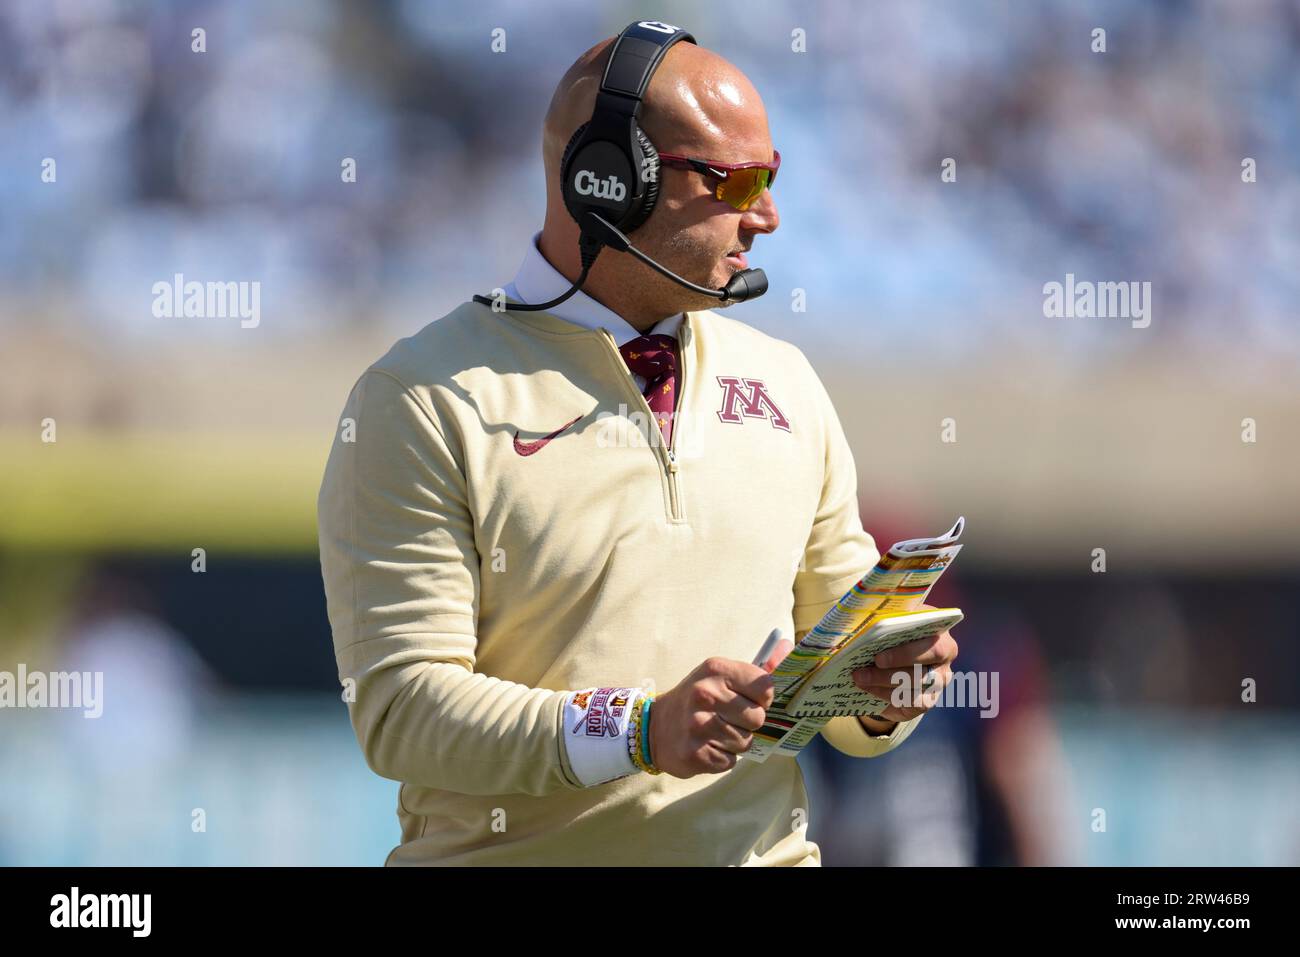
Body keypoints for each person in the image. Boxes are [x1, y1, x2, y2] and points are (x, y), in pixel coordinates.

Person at [317, 21, 959, 866]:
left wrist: (885, 690)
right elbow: (402, 711)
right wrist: (638, 728)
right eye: (739, 182)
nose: (767, 216)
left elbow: (841, 710)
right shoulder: (421, 399)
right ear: (608, 183)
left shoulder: (791, 384)